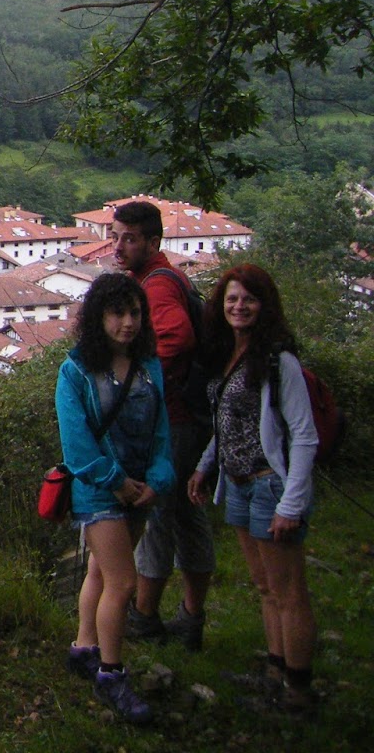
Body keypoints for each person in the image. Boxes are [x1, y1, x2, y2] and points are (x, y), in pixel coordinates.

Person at [188, 264, 318, 713]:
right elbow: (230, 424)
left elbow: (303, 435)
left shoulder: (279, 361)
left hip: (270, 487)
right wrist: (205, 467)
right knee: (264, 588)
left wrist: (292, 503)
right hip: (239, 487)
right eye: (231, 299)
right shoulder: (229, 354)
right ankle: (275, 670)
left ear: (265, 306)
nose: (239, 307)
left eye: (248, 299)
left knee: (289, 592)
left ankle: (298, 690)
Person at [56, 272, 174, 725]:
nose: (127, 322)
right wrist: (118, 481)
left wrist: (157, 479)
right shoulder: (76, 372)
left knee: (101, 573)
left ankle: (85, 648)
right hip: (100, 490)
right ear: (97, 317)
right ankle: (111, 673)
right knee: (124, 583)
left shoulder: (149, 366)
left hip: (142, 488)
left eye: (135, 313)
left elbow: (161, 431)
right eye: (117, 313)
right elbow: (78, 445)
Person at [110, 199, 216, 649]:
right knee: (188, 515)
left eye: (129, 238)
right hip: (189, 415)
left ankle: (145, 614)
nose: (118, 246)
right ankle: (192, 615)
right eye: (115, 236)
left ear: (153, 241)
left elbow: (176, 337)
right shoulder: (161, 278)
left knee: (157, 514)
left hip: (174, 418)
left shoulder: (156, 286)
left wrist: (136, 385)